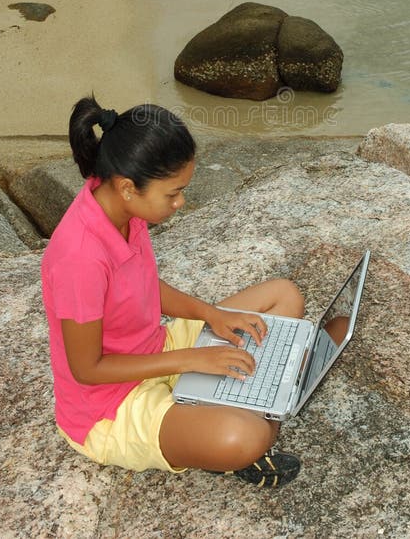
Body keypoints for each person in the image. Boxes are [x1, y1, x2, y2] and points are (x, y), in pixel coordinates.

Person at [41, 95, 305, 488]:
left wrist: (211, 314)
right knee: (245, 437)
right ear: (129, 187)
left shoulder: (122, 205)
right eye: (173, 193)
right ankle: (241, 410)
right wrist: (190, 360)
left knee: (284, 296)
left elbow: (143, 286)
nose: (181, 202)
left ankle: (230, 402)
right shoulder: (79, 258)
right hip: (110, 404)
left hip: (154, 345)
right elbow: (88, 369)